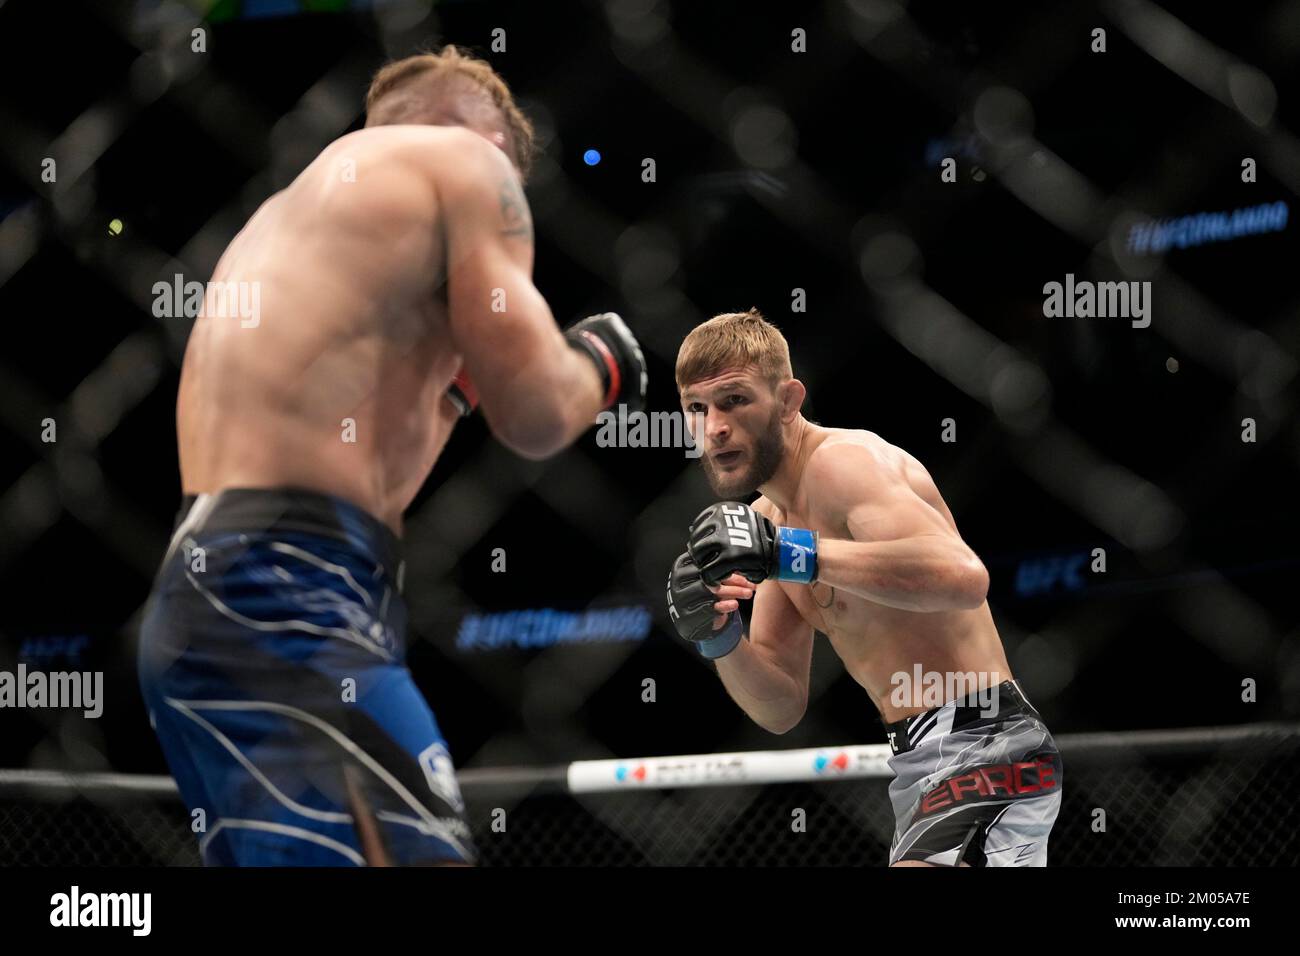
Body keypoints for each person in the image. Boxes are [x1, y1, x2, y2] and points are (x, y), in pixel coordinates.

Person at [138, 46, 647, 866]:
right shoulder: (471, 167)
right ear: (492, 143)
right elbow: (540, 413)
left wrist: (456, 391)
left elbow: (376, 470)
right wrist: (602, 360)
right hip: (290, 594)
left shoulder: (290, 221)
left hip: (208, 599)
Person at [666, 309, 1060, 866]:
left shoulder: (844, 464)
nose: (714, 427)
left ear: (787, 400)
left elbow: (964, 578)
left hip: (985, 739)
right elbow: (780, 705)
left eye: (734, 400)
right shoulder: (767, 523)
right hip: (920, 760)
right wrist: (718, 637)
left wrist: (791, 555)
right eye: (696, 409)